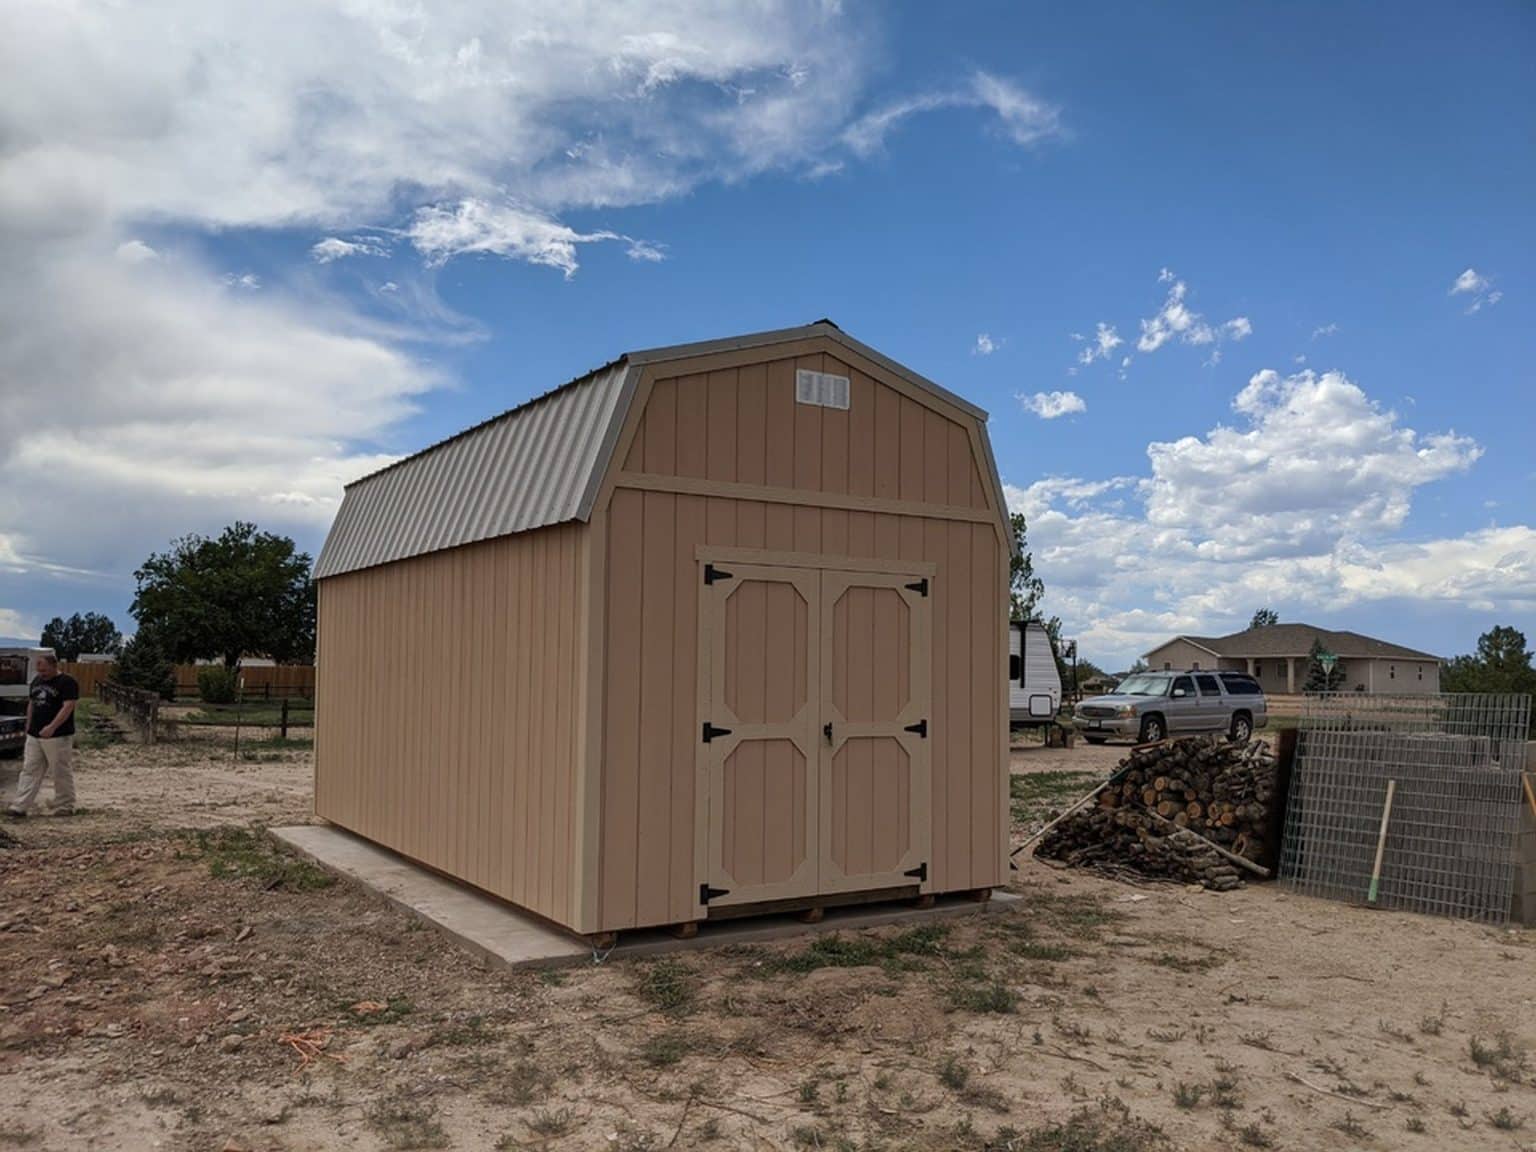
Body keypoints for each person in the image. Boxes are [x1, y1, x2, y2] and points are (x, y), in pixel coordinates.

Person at [7, 652, 78, 818]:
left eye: (45, 670)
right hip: (35, 735)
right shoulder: (37, 681)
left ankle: (65, 805)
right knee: (29, 769)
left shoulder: (67, 682)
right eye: (39, 670)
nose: (42, 674)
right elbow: (31, 703)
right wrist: (28, 725)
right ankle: (20, 805)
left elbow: (68, 707)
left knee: (60, 771)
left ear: (54, 666)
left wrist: (52, 727)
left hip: (58, 735)